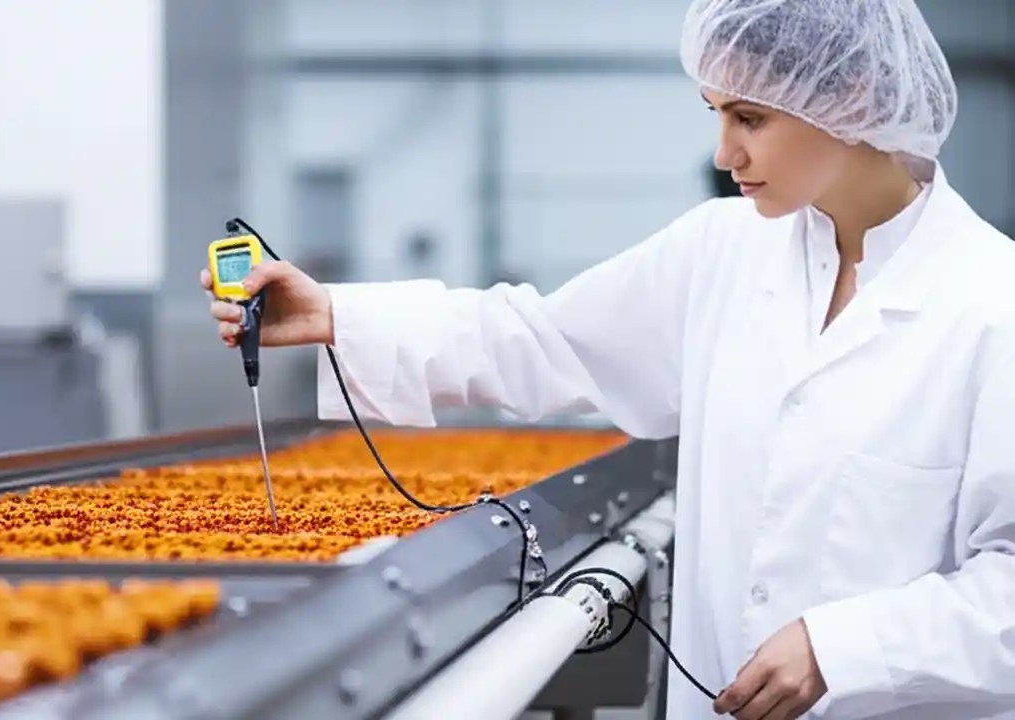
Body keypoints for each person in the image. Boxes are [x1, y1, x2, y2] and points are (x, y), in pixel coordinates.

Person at [201, 1, 1015, 717]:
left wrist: (845, 646)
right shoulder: (721, 253)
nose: (725, 152)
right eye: (715, 112)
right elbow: (538, 340)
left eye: (750, 118)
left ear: (854, 97)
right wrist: (337, 315)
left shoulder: (991, 303)